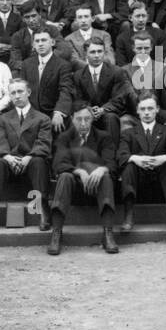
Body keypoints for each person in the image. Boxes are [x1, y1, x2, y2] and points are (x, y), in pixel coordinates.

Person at [47, 105, 120, 256]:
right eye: (79, 119)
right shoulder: (64, 138)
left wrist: (102, 169)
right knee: (65, 176)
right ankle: (56, 233)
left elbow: (112, 163)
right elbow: (59, 164)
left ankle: (108, 233)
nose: (83, 123)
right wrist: (78, 171)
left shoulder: (103, 137)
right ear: (72, 119)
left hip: (97, 189)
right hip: (73, 189)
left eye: (87, 119)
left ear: (92, 119)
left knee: (106, 176)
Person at [0, 79, 53, 232]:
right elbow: (0, 141)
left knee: (39, 162)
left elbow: (43, 142)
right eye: (13, 93)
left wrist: (29, 157)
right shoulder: (3, 118)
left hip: (32, 160)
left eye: (20, 91)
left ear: (28, 92)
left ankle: (43, 209)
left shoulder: (42, 118)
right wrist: (7, 157)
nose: (17, 96)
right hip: (10, 161)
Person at [117, 92, 166, 232]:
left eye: (150, 109)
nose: (146, 113)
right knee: (129, 166)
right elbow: (121, 155)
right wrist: (137, 159)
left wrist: (162, 158)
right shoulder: (128, 133)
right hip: (138, 177)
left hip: (160, 178)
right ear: (137, 110)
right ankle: (128, 215)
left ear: (157, 109)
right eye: (143, 109)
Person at [71, 36, 130, 142]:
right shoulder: (78, 75)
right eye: (93, 52)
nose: (97, 55)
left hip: (110, 112)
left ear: (104, 52)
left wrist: (102, 110)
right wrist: (89, 110)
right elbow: (78, 99)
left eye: (100, 51)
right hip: (88, 113)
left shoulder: (116, 72)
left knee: (110, 118)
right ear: (85, 54)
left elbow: (119, 98)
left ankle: (112, 154)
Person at [21, 26, 74, 132]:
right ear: (33, 45)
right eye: (37, 41)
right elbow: (23, 90)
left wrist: (59, 112)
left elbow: (66, 90)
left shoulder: (63, 65)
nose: (40, 44)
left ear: (53, 42)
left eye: (44, 40)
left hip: (52, 114)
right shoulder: (26, 64)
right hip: (31, 114)